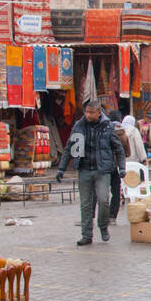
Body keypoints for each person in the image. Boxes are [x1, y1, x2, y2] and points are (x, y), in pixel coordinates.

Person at [55, 99, 126, 246]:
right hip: (84, 169)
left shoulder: (107, 127)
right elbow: (69, 147)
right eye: (86, 112)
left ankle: (103, 226)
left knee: (103, 200)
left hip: (102, 170)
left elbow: (118, 148)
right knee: (86, 204)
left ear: (99, 113)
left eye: (91, 112)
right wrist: (61, 168)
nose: (88, 115)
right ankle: (86, 235)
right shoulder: (79, 126)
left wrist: (122, 167)